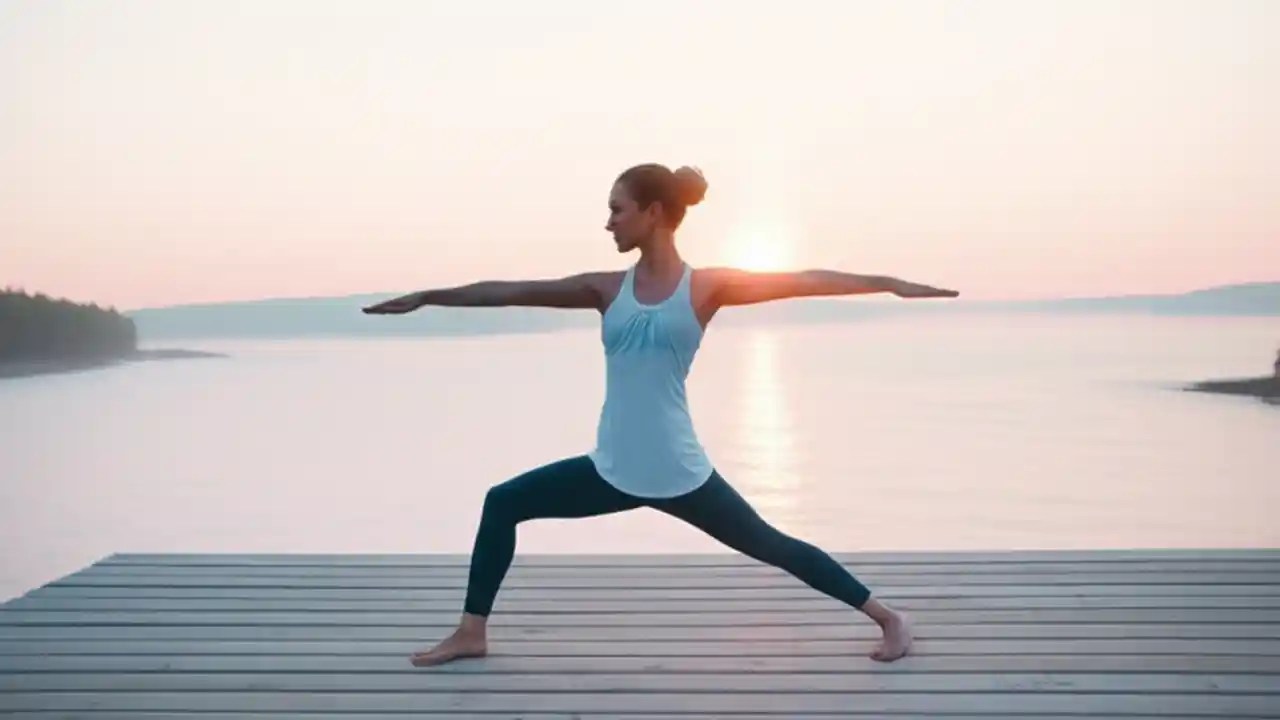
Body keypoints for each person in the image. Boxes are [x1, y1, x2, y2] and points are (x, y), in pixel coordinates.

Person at [363, 163, 959, 667]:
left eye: (617, 210)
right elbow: (511, 290)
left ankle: (889, 619)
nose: (608, 222)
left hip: (680, 474)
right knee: (504, 501)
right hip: (613, 468)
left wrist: (888, 284)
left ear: (652, 212)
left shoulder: (705, 288)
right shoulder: (604, 289)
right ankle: (473, 631)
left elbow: (803, 281)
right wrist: (430, 295)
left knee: (774, 547)